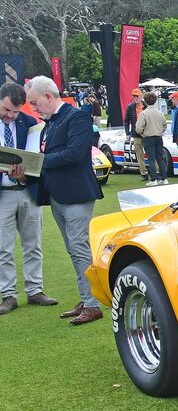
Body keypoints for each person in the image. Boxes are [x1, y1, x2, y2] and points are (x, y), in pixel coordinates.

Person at [11, 76, 102, 325]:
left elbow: (75, 154)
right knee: (74, 249)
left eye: (34, 102)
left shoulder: (77, 117)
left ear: (49, 96)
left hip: (76, 195)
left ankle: (93, 303)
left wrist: (35, 163)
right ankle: (86, 298)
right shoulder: (49, 123)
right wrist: (27, 171)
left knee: (79, 248)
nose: (33, 108)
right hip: (58, 195)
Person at [0, 82, 57, 315]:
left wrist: (26, 173)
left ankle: (35, 290)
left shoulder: (31, 123)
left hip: (27, 190)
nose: (11, 116)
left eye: (15, 111)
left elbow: (37, 158)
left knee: (33, 244)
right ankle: (9, 295)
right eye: (6, 109)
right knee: (3, 248)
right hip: (2, 195)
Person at [135, 91, 168, 185]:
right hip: (158, 137)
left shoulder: (144, 113)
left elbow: (138, 128)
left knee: (151, 159)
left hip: (148, 137)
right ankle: (164, 178)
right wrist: (160, 131)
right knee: (160, 158)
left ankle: (154, 179)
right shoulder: (160, 113)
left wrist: (142, 134)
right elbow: (165, 125)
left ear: (145, 101)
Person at [123, 88, 147, 180]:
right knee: (139, 154)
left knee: (151, 153)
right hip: (136, 134)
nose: (135, 98)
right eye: (134, 96)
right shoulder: (130, 107)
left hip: (147, 133)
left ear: (141, 96)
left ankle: (155, 172)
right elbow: (126, 121)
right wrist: (127, 133)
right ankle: (144, 173)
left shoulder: (146, 106)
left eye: (137, 96)